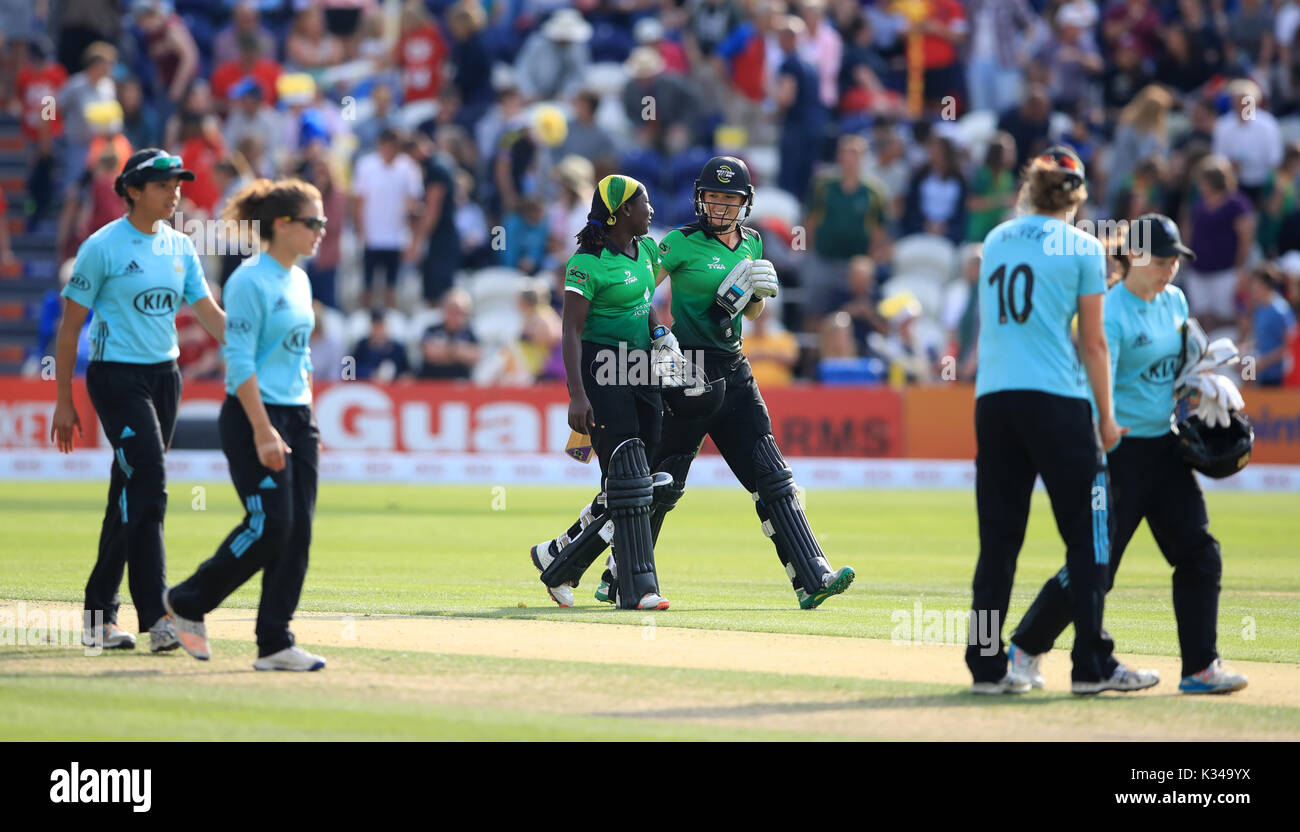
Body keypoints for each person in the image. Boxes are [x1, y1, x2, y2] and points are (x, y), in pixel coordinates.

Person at [533, 157, 856, 611]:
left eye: (730, 199)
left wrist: (755, 297)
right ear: (700, 199)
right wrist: (648, 345)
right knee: (655, 486)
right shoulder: (677, 243)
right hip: (686, 373)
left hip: (735, 369)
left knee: (772, 474)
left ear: (745, 203)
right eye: (713, 197)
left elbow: (750, 313)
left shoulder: (754, 242)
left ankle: (812, 575)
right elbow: (641, 294)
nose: (721, 207)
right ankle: (590, 568)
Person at [1007, 214, 1250, 695]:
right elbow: (1092, 385)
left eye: (1175, 262)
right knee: (1097, 566)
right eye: (1161, 261)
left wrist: (1201, 383)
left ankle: (1201, 668)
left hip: (1164, 445)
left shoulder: (1175, 300)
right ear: (1134, 257)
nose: (1169, 271)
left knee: (1200, 553)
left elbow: (1180, 364)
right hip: (1115, 451)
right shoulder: (1109, 312)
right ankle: (1023, 649)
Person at [967, 145, 1156, 696]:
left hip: (994, 400)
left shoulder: (997, 239)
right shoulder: (1082, 247)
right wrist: (1108, 419)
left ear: (1029, 188)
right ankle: (1091, 665)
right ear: (1076, 196)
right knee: (1091, 535)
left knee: (998, 543)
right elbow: (1093, 344)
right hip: (1056, 400)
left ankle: (986, 665)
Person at [49, 148, 226, 652]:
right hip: (115, 378)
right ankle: (158, 617)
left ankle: (97, 616)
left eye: (178, 184)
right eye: (164, 184)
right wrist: (64, 401)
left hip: (165, 378)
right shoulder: (101, 247)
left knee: (128, 493)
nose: (175, 193)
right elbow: (69, 331)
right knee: (150, 479)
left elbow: (211, 316)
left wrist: (256, 344)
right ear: (132, 190)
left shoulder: (180, 246)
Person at [163, 177, 328, 672]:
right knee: (270, 524)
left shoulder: (299, 279)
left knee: (297, 532)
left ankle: (274, 642)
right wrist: (262, 428)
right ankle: (188, 601)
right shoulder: (249, 280)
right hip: (252, 414)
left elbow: (297, 357)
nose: (322, 230)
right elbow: (239, 362)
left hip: (297, 417)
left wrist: (304, 420)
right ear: (282, 225)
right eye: (313, 222)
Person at [529, 174, 671, 611]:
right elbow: (570, 332)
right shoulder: (585, 262)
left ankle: (559, 559)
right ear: (623, 211)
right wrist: (576, 395)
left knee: (643, 484)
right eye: (644, 204)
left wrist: (660, 333)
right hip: (601, 370)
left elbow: (642, 303)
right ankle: (637, 588)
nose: (651, 211)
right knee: (629, 478)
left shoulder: (645, 250)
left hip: (642, 368)